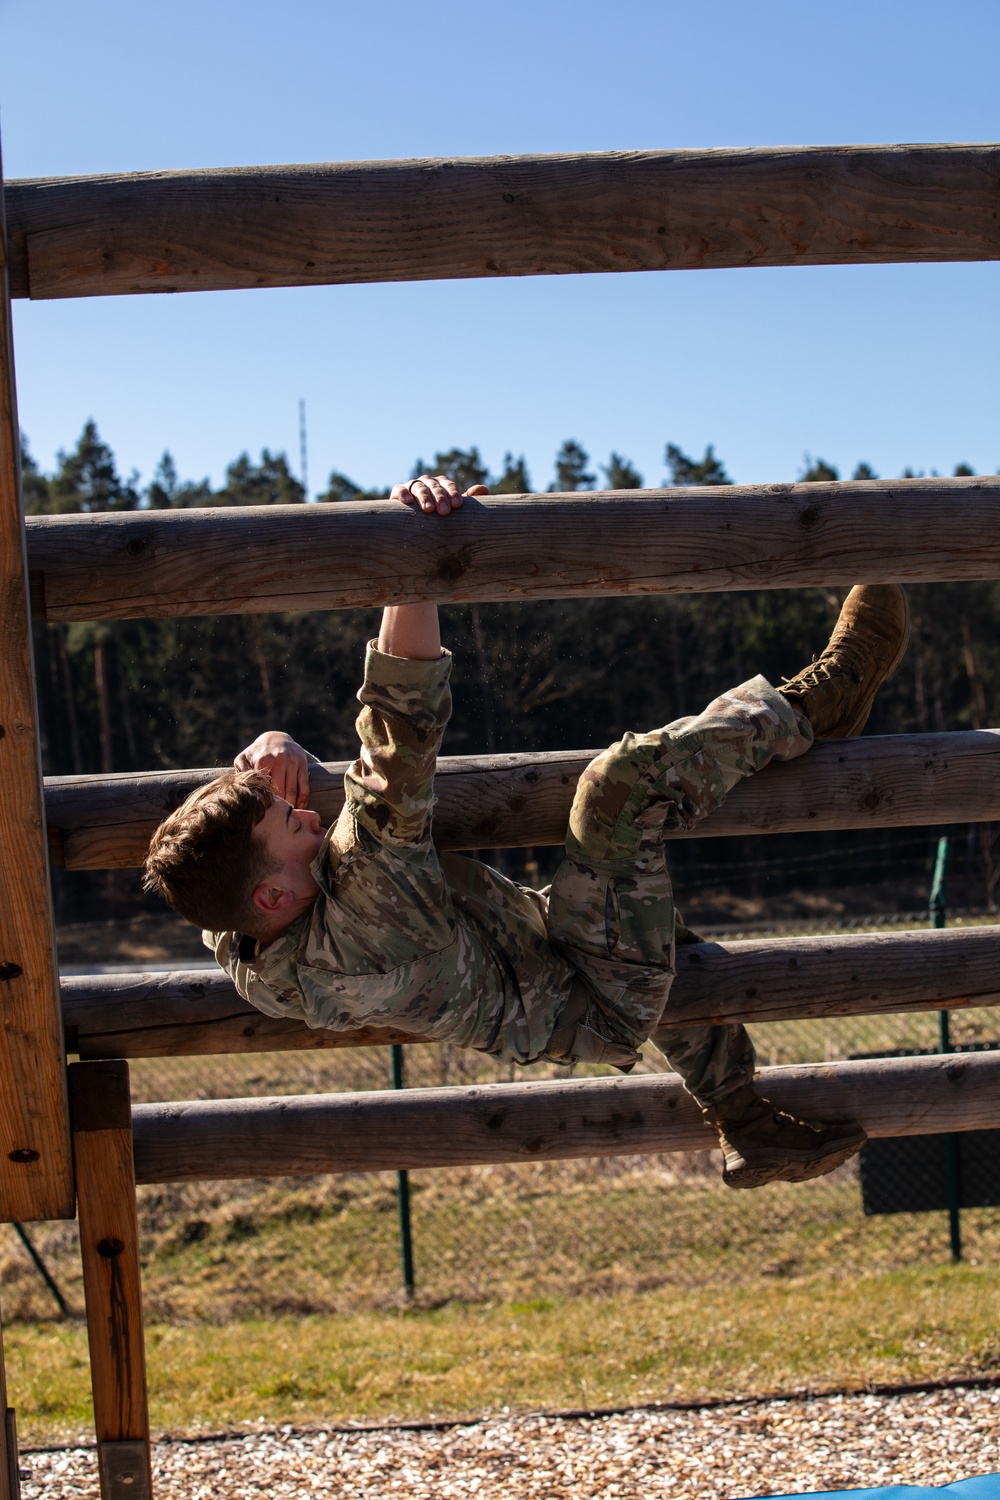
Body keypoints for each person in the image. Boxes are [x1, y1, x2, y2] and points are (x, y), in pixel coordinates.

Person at [143, 474, 911, 1189]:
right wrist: (415, 553)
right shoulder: (371, 904)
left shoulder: (246, 945)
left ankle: (745, 1123)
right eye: (293, 824)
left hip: (556, 987)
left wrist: (272, 753)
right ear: (275, 892)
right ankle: (823, 700)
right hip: (592, 993)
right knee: (619, 788)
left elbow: (219, 870)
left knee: (647, 925)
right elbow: (399, 731)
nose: (311, 813)